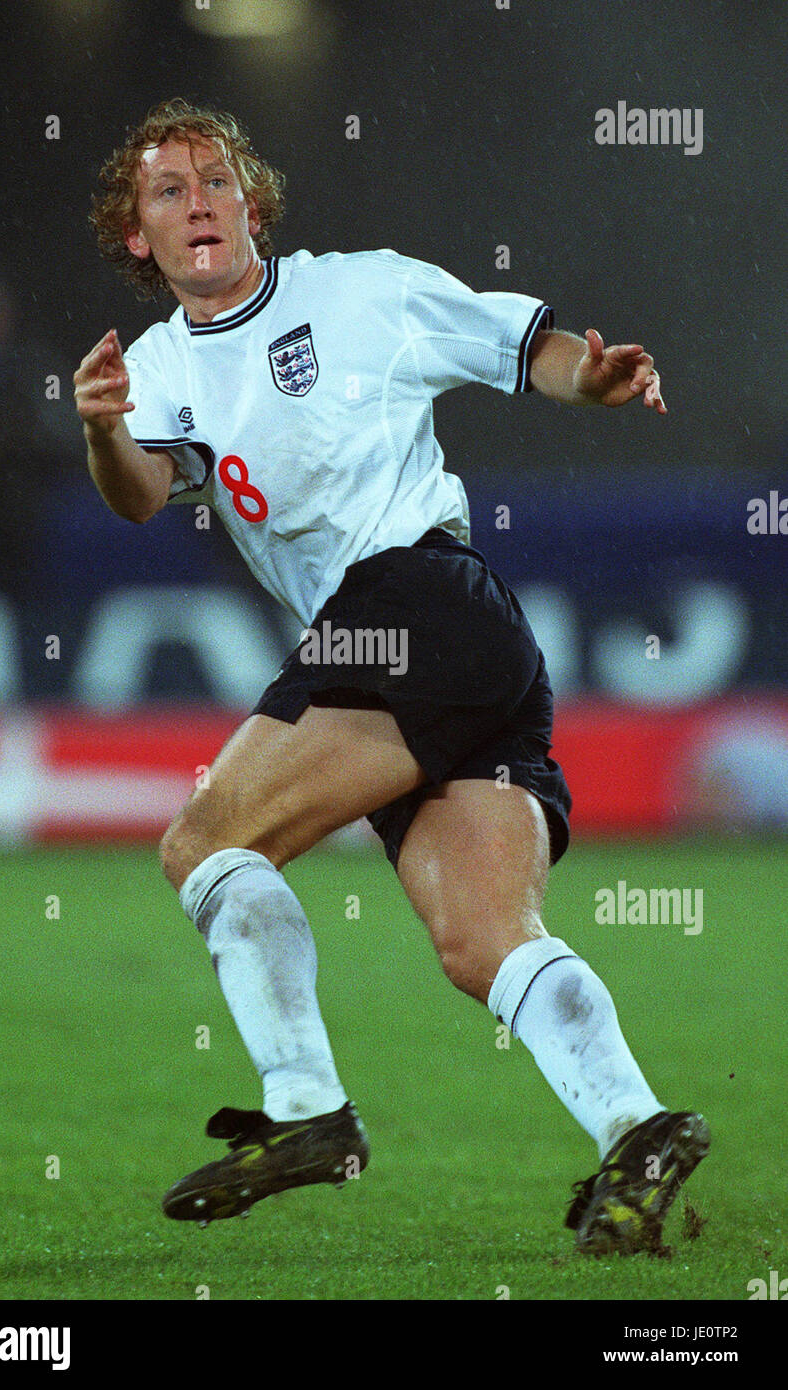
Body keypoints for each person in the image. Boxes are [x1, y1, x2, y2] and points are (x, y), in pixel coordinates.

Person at [75, 98, 707, 1255]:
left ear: (250, 203)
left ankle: (308, 1111)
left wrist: (597, 376)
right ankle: (638, 1127)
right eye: (167, 190)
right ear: (138, 235)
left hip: (414, 601)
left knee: (203, 841)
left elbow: (523, 349)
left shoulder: (360, 291)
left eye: (214, 179)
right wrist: (102, 429)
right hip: (466, 649)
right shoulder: (158, 368)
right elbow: (138, 490)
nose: (197, 201)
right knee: (481, 941)